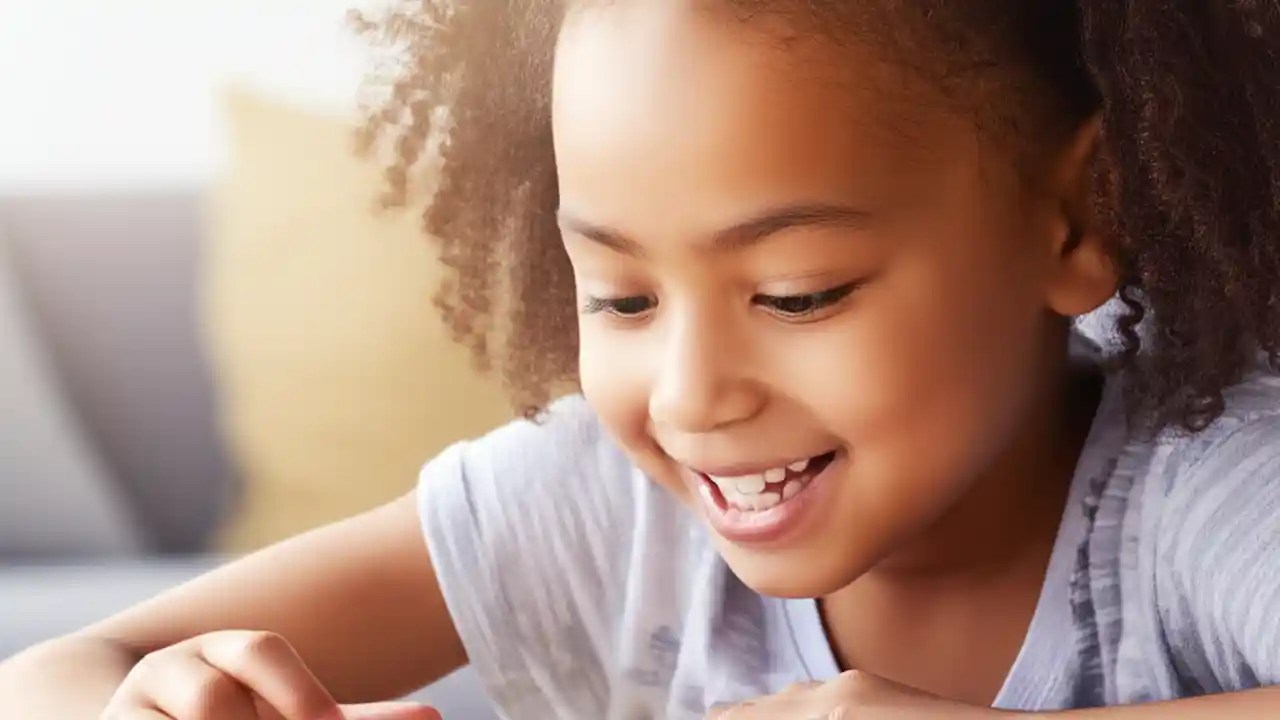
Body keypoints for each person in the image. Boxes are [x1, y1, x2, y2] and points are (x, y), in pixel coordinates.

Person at [5, 1, 1280, 718]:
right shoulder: (604, 514)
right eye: (618, 297)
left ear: (1081, 215)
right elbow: (53, 675)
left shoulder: (1203, 488)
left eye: (797, 293)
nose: (686, 397)